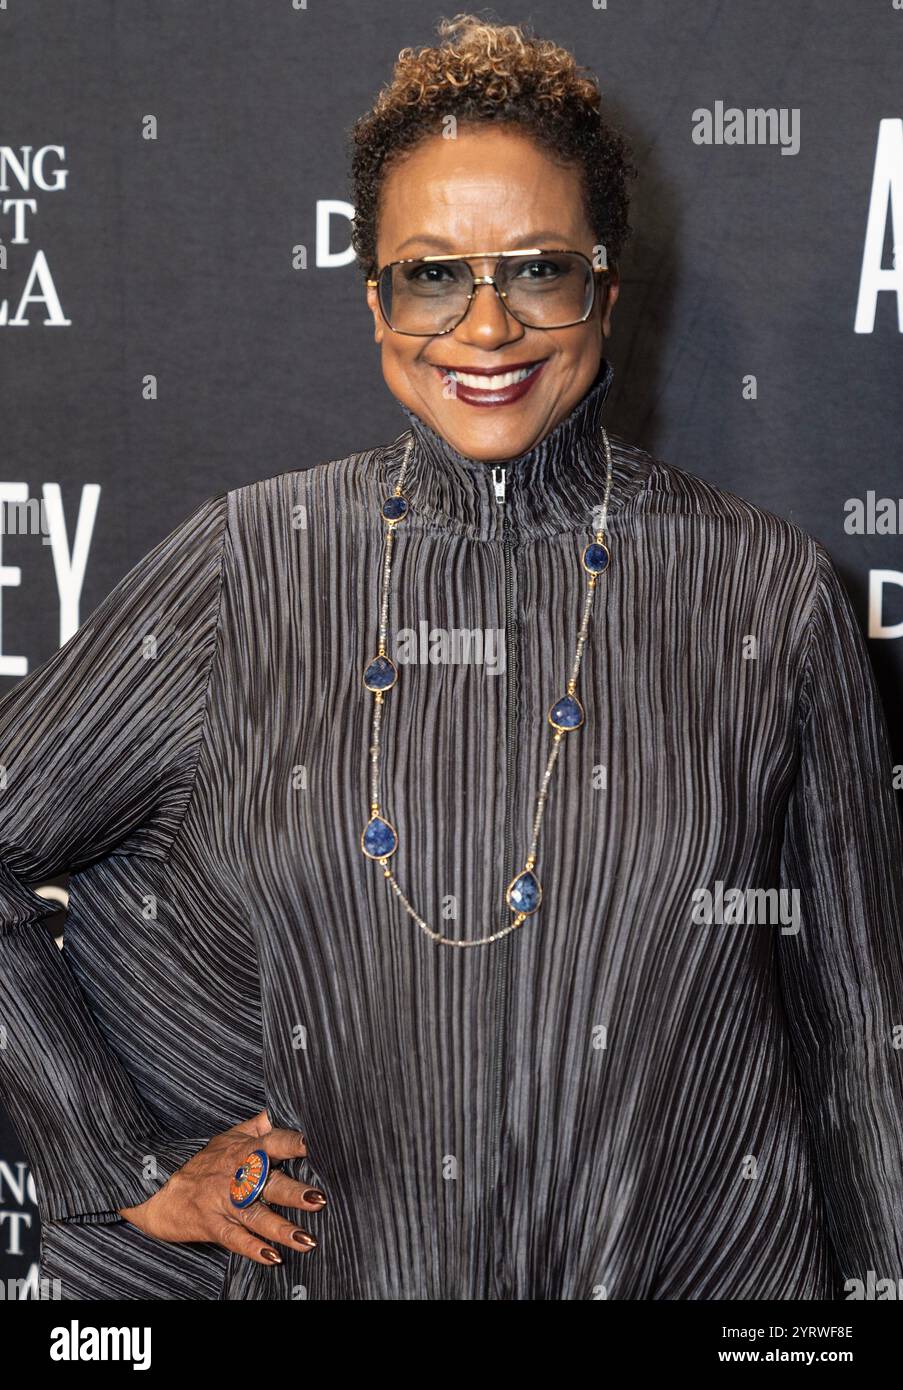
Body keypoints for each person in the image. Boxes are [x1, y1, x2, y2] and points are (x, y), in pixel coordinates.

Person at [1, 13, 901, 1301]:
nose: (486, 328)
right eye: (432, 275)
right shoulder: (241, 574)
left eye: (537, 269)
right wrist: (120, 1157)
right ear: (374, 296)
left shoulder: (769, 598)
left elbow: (862, 1040)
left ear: (605, 282)